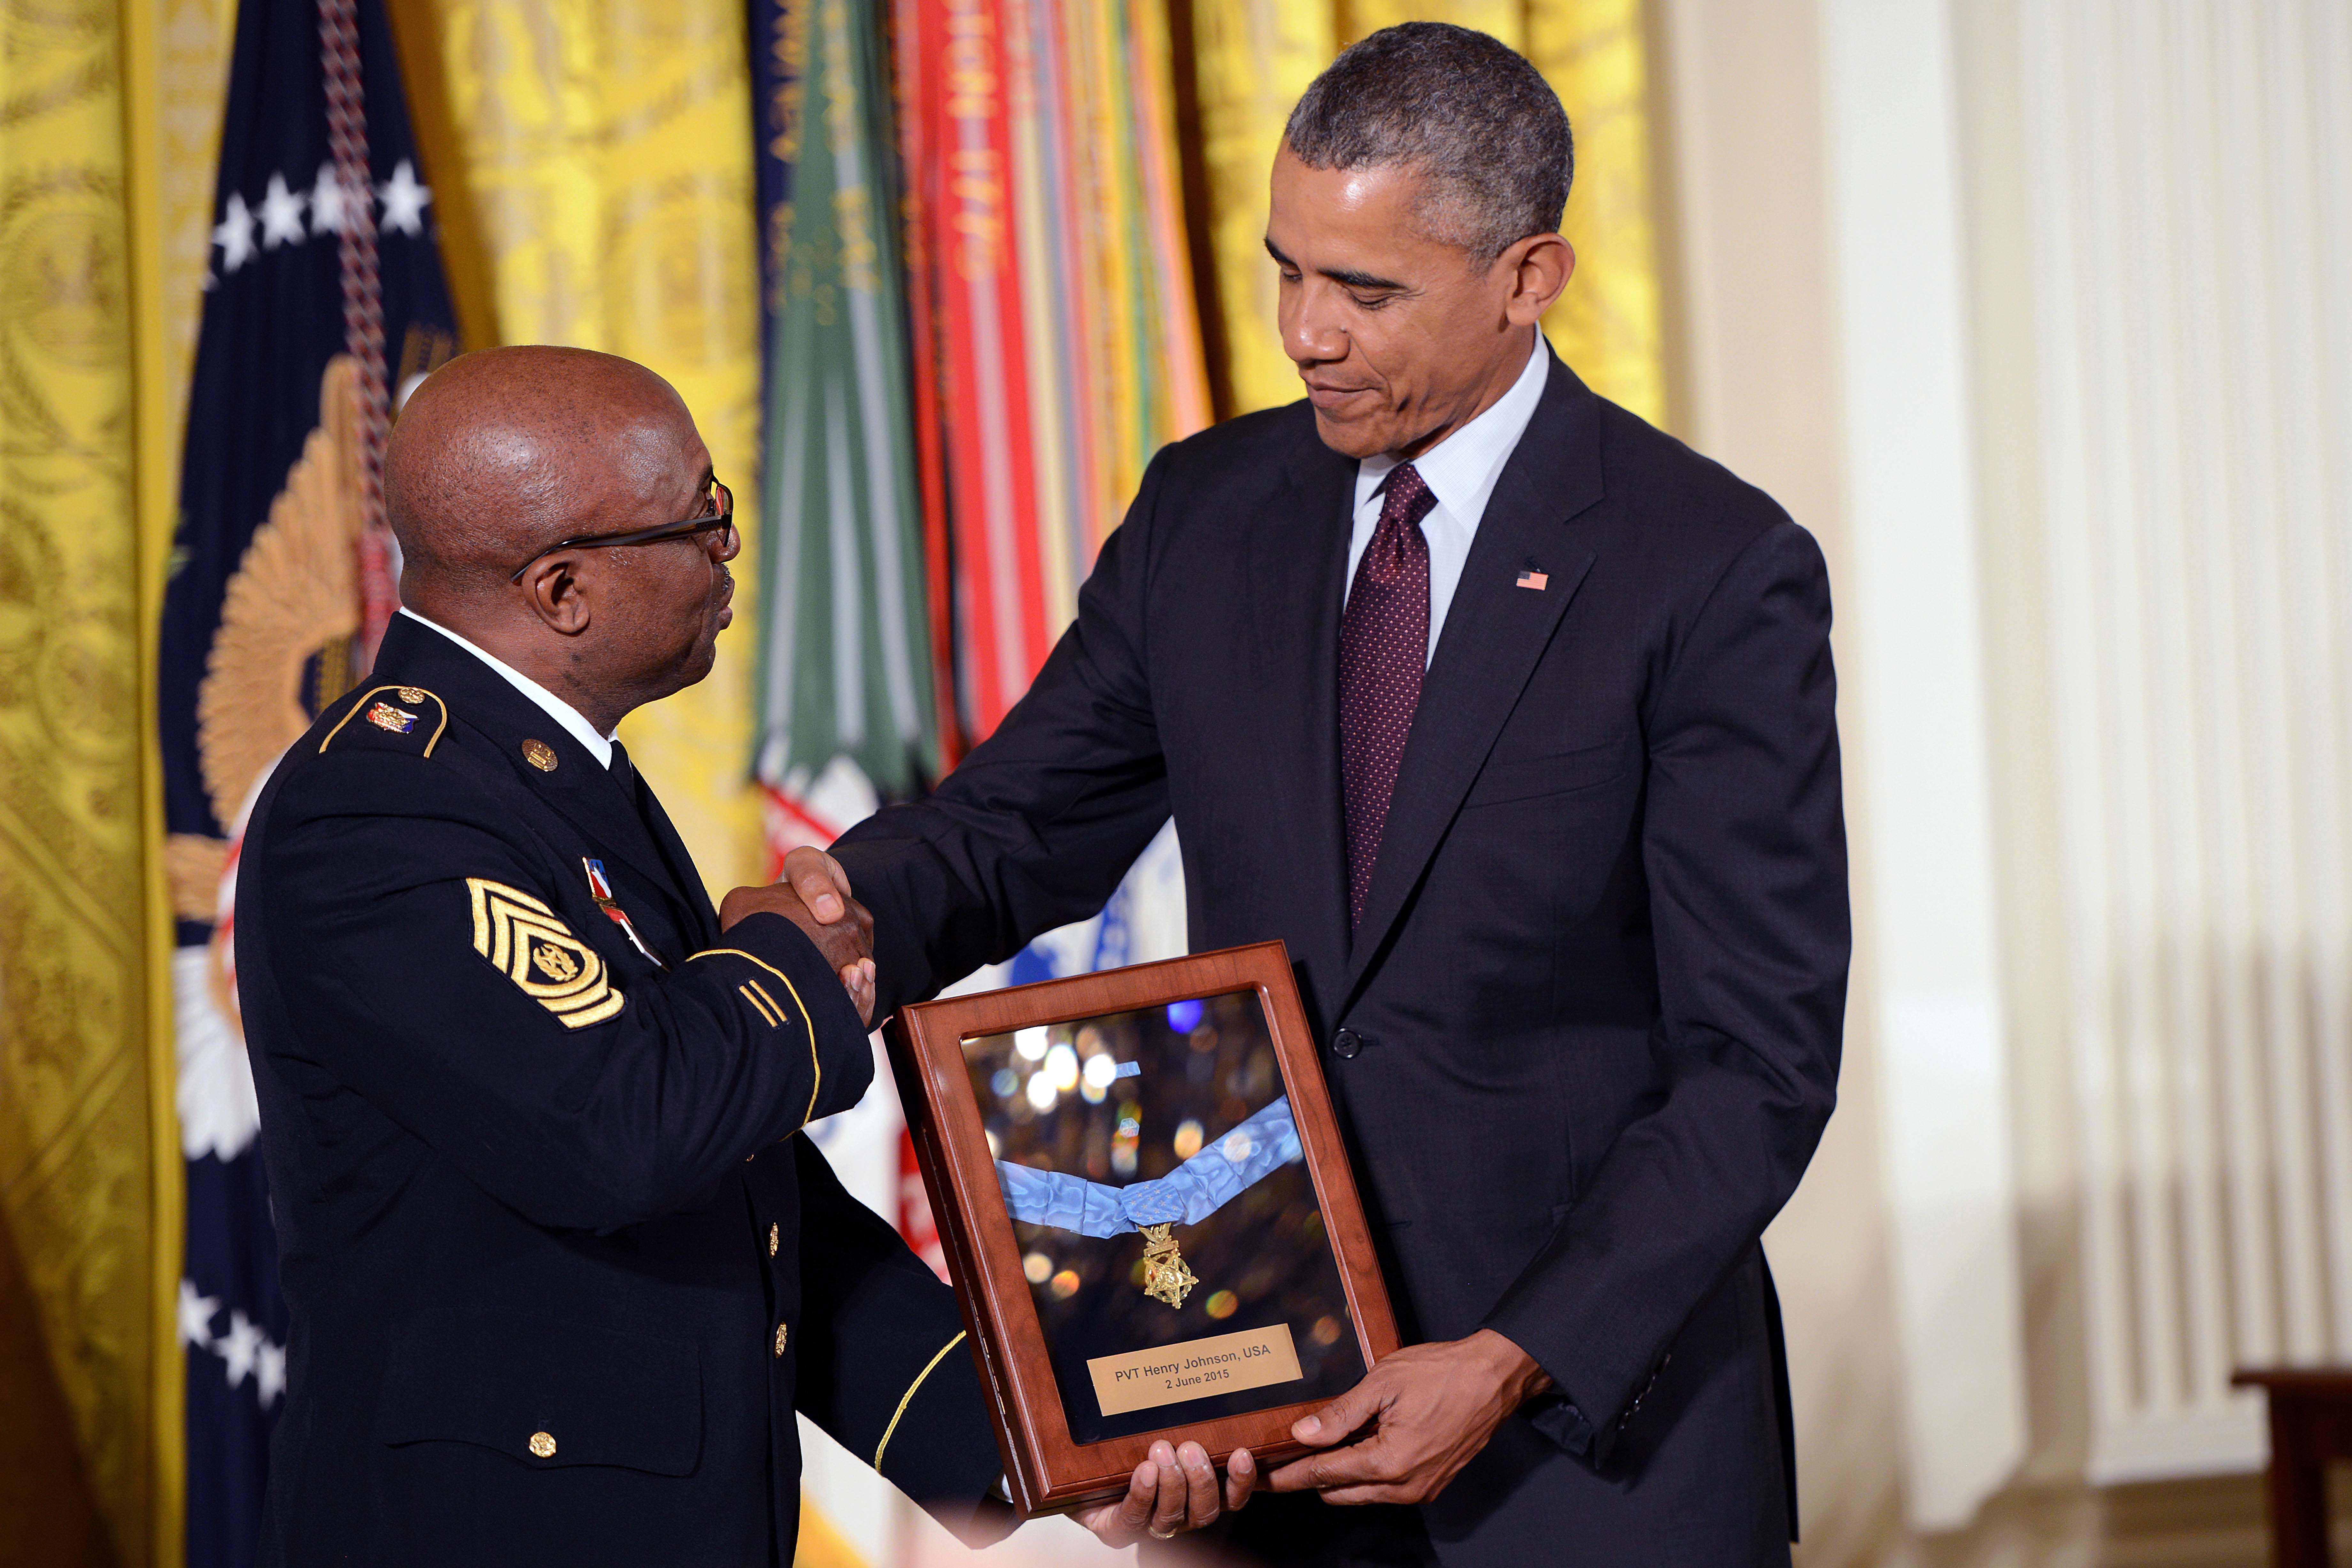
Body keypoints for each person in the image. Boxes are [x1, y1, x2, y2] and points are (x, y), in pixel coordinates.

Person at [785, 23, 1848, 1567]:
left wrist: (1510, 1359)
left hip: (1590, 1459)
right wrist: (823, 923)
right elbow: (1013, 829)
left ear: (1527, 276)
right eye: (1285, 269)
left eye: (1365, 292)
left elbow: (1755, 1065)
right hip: (1260, 1421)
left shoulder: (1707, 565)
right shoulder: (1206, 511)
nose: (1305, 333)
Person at [231, 345, 1252, 1564]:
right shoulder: (379, 810)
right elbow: (619, 1124)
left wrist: (1040, 1447)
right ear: (563, 590)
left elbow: (745, 1204)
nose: (728, 554)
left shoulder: (553, 780)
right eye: (701, 520)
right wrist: (792, 954)